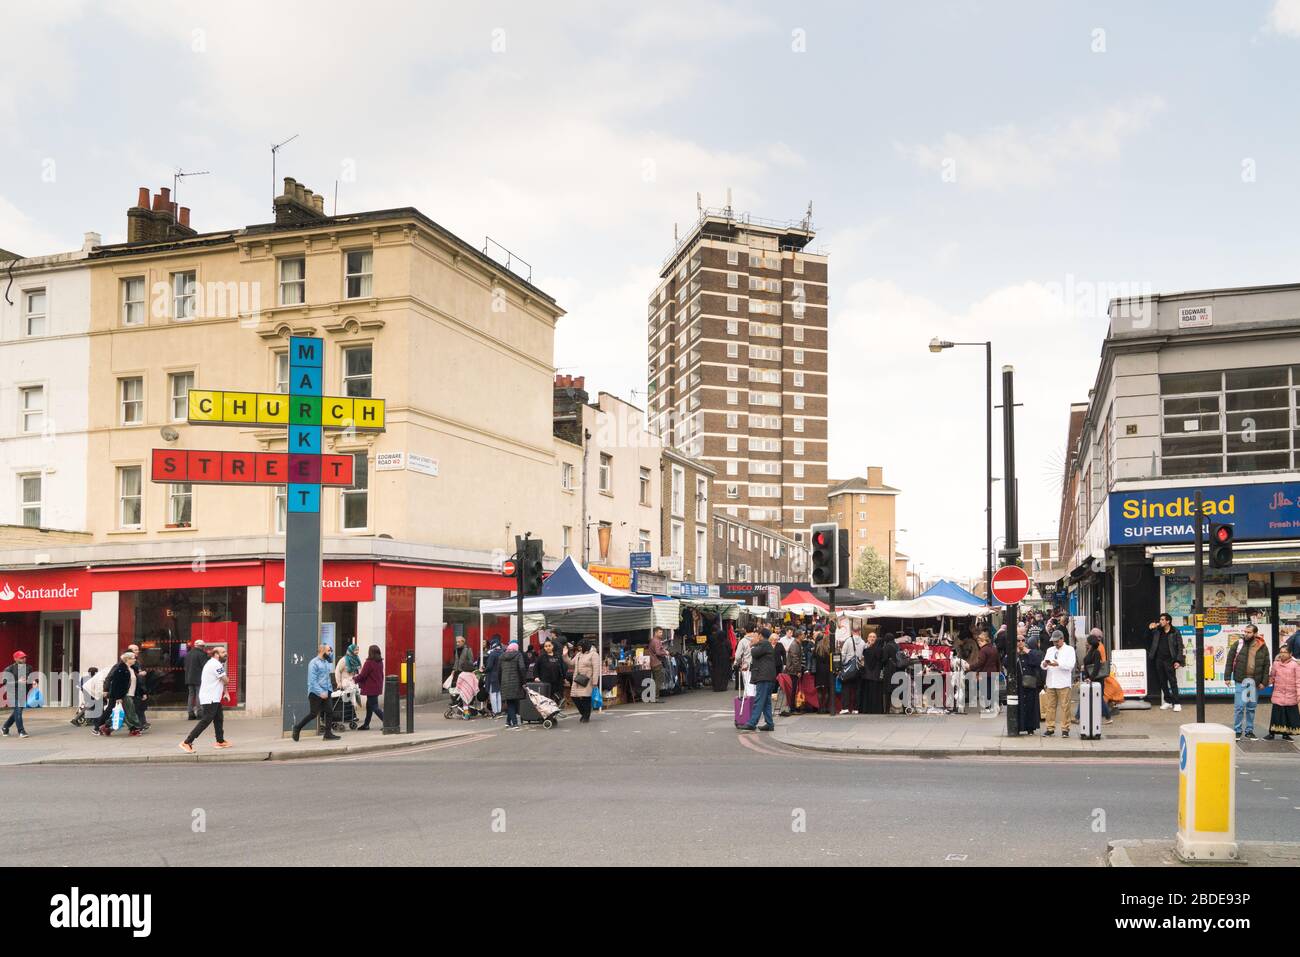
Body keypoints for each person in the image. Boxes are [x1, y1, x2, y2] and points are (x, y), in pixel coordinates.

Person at [179, 646, 232, 752]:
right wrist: (226, 683)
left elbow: (222, 680)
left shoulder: (216, 663)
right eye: (223, 652)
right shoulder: (215, 664)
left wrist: (226, 692)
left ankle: (220, 741)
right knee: (206, 720)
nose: (226, 654)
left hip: (214, 697)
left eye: (225, 651)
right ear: (216, 654)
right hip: (210, 697)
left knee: (218, 718)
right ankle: (187, 742)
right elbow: (225, 680)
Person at [1225, 624, 1270, 741]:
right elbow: (1229, 660)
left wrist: (1264, 682)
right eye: (1245, 632)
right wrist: (1227, 677)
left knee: (1251, 708)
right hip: (1241, 680)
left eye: (1249, 632)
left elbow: (1266, 665)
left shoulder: (1262, 646)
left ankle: (1249, 731)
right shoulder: (1238, 644)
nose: (1246, 634)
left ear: (1255, 634)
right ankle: (1237, 731)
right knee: (1239, 707)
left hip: (1254, 682)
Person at [292, 644, 341, 742]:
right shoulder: (313, 663)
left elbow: (328, 669)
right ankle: (297, 727)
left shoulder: (326, 661)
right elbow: (312, 681)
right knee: (313, 714)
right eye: (328, 651)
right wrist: (321, 692)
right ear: (322, 651)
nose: (330, 653)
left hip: (327, 691)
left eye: (330, 651)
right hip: (315, 692)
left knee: (329, 712)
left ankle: (327, 734)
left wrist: (329, 690)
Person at [739, 630, 777, 732]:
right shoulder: (766, 645)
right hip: (767, 677)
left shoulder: (764, 644)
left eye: (756, 636)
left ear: (760, 636)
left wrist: (752, 645)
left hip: (764, 677)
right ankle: (769, 723)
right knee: (766, 702)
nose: (754, 638)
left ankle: (752, 723)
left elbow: (754, 653)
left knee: (759, 700)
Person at [1041, 630, 1076, 737]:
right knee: (1050, 706)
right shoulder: (1050, 650)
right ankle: (1050, 727)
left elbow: (1070, 665)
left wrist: (1058, 664)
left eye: (1057, 641)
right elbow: (1043, 664)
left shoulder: (1069, 650)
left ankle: (1065, 728)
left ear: (1062, 639)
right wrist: (1044, 664)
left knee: (1065, 707)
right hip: (1051, 682)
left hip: (1063, 682)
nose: (1055, 643)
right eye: (1053, 641)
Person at [1147, 613, 1184, 712]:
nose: (1160, 621)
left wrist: (1178, 660)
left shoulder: (1175, 631)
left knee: (1172, 681)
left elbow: (1180, 647)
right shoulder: (1158, 631)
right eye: (1160, 619)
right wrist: (1150, 628)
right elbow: (1147, 637)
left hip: (1170, 660)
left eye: (1163, 620)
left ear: (1168, 621)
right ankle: (1168, 701)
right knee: (1162, 681)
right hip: (1159, 659)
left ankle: (1177, 703)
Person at [102, 651, 145, 736]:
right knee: (131, 712)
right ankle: (134, 729)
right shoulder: (120, 669)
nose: (135, 660)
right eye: (133, 658)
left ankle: (107, 727)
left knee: (123, 712)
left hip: (131, 694)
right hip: (124, 694)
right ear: (128, 659)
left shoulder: (132, 669)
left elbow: (137, 683)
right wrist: (118, 697)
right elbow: (117, 684)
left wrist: (142, 692)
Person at [1265, 644, 1300, 741]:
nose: (1282, 654)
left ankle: (1286, 735)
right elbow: (1272, 676)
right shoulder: (1276, 663)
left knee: (1288, 715)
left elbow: (1298, 681)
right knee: (1276, 715)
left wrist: (1299, 694)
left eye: (1285, 652)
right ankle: (1271, 734)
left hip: (1291, 694)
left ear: (1290, 654)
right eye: (1281, 652)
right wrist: (1265, 682)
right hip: (1278, 693)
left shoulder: (1295, 665)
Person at [1080, 631, 1112, 725]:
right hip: (1090, 679)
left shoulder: (1096, 652)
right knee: (1090, 697)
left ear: (1090, 643)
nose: (1085, 643)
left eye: (1087, 642)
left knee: (1098, 698)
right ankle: (1081, 716)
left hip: (1096, 680)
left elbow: (1097, 667)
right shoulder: (1089, 652)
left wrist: (1090, 678)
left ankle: (1108, 717)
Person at [2, 651, 34, 738]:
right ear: (15, 659)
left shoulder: (29, 668)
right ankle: (21, 731)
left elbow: (31, 679)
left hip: (23, 693)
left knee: (16, 712)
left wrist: (33, 682)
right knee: (18, 712)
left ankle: (5, 727)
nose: (24, 659)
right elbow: (5, 683)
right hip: (12, 693)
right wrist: (18, 682)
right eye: (21, 658)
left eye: (25, 657)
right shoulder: (9, 669)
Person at [569, 639, 600, 722]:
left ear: (585, 646)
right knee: (574, 697)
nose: (579, 649)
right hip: (577, 679)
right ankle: (583, 713)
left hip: (587, 680)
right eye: (578, 647)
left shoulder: (594, 654)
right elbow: (571, 663)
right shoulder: (578, 654)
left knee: (586, 698)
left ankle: (586, 716)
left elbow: (596, 669)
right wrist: (565, 656)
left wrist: (595, 682)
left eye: (580, 647)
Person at [969, 631, 1000, 714]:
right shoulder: (994, 649)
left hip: (985, 673)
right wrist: (998, 672)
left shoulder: (983, 650)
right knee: (992, 690)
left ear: (983, 641)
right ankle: (992, 707)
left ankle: (987, 708)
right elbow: (998, 662)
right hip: (993, 673)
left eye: (979, 641)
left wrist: (970, 667)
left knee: (985, 691)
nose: (979, 644)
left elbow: (980, 663)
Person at [838, 627, 866, 715]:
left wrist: (841, 665)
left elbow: (843, 654)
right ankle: (856, 709)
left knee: (846, 688)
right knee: (857, 689)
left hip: (848, 669)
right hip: (858, 668)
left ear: (852, 631)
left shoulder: (848, 641)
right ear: (859, 631)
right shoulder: (863, 642)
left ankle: (845, 708)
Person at [356, 645, 385, 730]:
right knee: (369, 706)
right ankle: (366, 724)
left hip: (371, 688)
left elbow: (363, 675)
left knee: (374, 706)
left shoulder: (369, 662)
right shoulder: (380, 662)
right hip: (377, 686)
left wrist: (354, 679)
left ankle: (387, 722)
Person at [1017, 635, 1042, 734]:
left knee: (1030, 705)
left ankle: (1030, 727)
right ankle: (1019, 726)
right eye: (1018, 640)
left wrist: (1027, 651)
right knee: (1019, 705)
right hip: (1018, 684)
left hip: (1030, 683)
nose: (1020, 642)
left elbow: (1038, 661)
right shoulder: (1014, 654)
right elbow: (1006, 663)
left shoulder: (1031, 653)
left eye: (1023, 640)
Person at [499, 641, 526, 729]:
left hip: (504, 681)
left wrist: (500, 681)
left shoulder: (502, 656)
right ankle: (514, 723)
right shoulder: (518, 655)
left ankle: (508, 722)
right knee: (512, 702)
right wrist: (523, 680)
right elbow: (522, 668)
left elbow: (499, 670)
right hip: (516, 681)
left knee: (511, 702)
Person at [534, 639, 567, 704]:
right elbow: (536, 668)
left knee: (558, 697)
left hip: (558, 681)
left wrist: (564, 677)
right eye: (546, 646)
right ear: (544, 648)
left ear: (553, 646)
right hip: (546, 680)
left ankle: (557, 707)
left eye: (549, 646)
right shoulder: (541, 657)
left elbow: (562, 667)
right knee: (547, 697)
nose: (548, 647)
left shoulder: (558, 656)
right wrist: (536, 677)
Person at [183, 638, 208, 720]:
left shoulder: (188, 654)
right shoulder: (202, 654)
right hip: (199, 678)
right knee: (199, 695)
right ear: (201, 646)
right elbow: (205, 667)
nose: (204, 648)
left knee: (191, 695)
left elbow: (185, 666)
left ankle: (190, 714)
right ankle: (200, 713)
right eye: (203, 646)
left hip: (189, 678)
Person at [648, 627, 669, 702]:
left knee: (655, 680)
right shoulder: (656, 641)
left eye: (662, 632)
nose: (661, 634)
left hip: (653, 662)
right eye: (660, 632)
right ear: (655, 633)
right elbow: (658, 652)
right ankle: (655, 698)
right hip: (657, 663)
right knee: (658, 681)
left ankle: (653, 697)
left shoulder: (653, 640)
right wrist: (665, 652)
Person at [484, 636, 504, 714]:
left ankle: (495, 711)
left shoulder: (492, 654)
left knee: (492, 694)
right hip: (500, 675)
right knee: (498, 693)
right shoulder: (502, 653)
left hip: (492, 676)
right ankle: (499, 710)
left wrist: (484, 670)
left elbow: (489, 666)